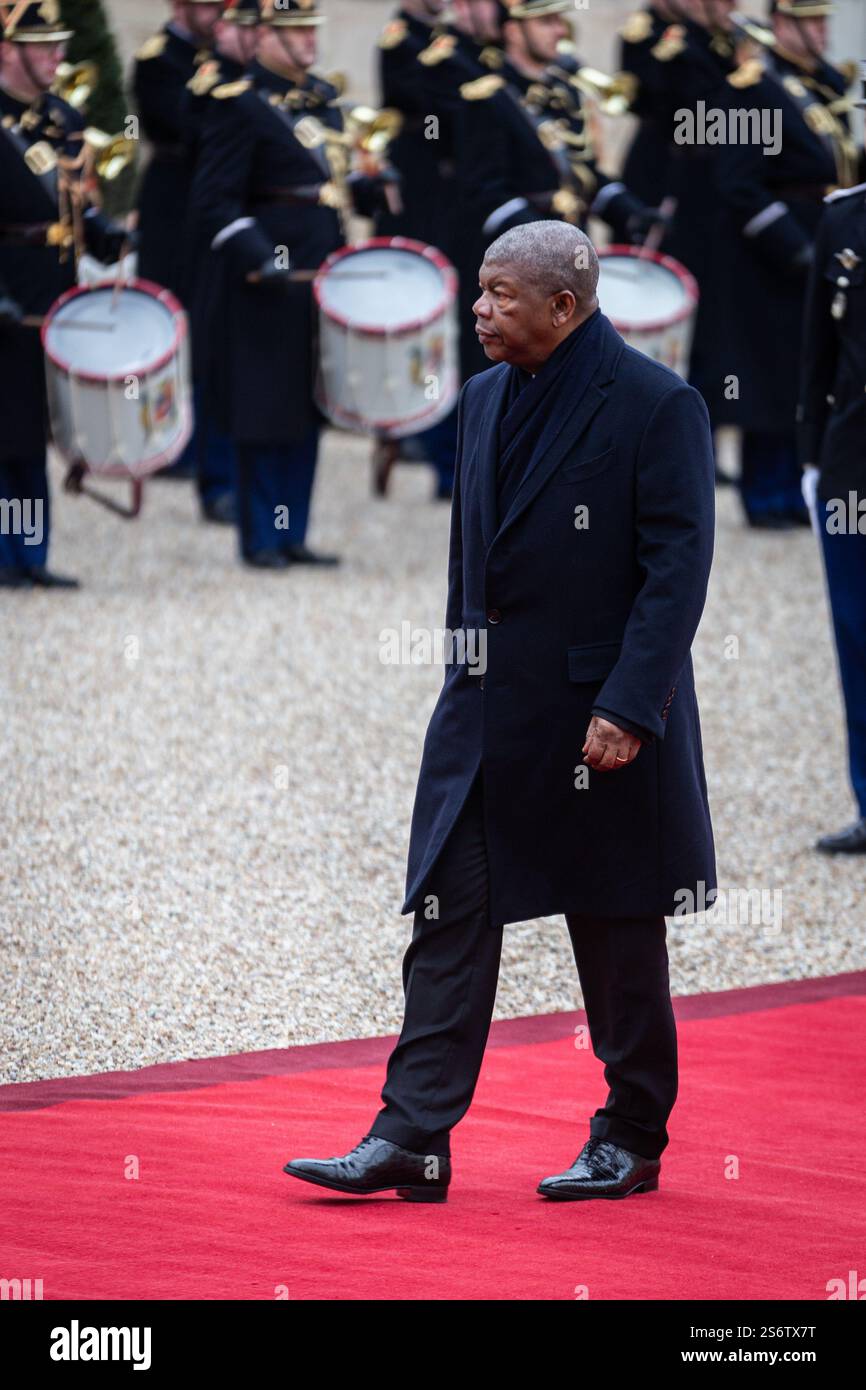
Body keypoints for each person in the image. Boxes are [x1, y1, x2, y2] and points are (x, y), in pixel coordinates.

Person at [284, 221, 716, 1202]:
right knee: (449, 910)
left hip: (597, 718)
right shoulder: (480, 400)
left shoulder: (658, 405)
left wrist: (628, 706)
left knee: (614, 926)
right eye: (474, 292)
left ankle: (632, 1132)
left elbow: (675, 572)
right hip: (486, 716)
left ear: (561, 308)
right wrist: (455, 689)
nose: (474, 311)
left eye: (495, 295)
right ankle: (412, 1131)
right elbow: (469, 570)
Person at [190, 0, 391, 568]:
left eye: (311, 29)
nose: (308, 40)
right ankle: (260, 537)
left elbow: (336, 186)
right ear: (263, 38)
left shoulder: (325, 102)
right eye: (295, 31)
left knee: (308, 405)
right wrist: (257, 256)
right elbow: (213, 201)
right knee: (264, 405)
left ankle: (293, 531)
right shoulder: (238, 105)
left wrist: (372, 186)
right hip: (265, 277)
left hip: (320, 272)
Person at [711, 0, 860, 529]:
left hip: (829, 240)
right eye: (810, 21)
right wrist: (795, 250)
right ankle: (766, 492)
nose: (821, 32)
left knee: (817, 371)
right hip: (773, 257)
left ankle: (801, 485)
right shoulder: (750, 88)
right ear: (780, 25)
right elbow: (737, 184)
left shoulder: (825, 82)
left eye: (824, 21)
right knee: (771, 374)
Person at [0, 0, 127, 589]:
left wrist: (109, 235)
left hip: (54, 295)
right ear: (7, 50)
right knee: (5, 433)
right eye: (42, 44)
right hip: (6, 293)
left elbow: (78, 209)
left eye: (58, 43)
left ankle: (32, 556)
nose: (57, 54)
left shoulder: (64, 118)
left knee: (33, 429)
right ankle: (7, 557)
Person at [798, 163, 866, 853]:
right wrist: (810, 456)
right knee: (857, 632)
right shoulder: (843, 218)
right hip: (853, 460)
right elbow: (816, 345)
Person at [132, 0, 222, 481]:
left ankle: (206, 447)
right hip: (172, 200)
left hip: (209, 199)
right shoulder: (158, 58)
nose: (215, 14)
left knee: (210, 326)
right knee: (170, 317)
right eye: (206, 5)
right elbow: (181, 126)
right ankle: (166, 441)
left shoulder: (223, 60)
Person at [182, 0, 261, 526]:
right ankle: (214, 479)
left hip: (259, 232)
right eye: (240, 25)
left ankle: (244, 485)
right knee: (215, 355)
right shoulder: (214, 85)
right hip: (215, 233)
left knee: (255, 368)